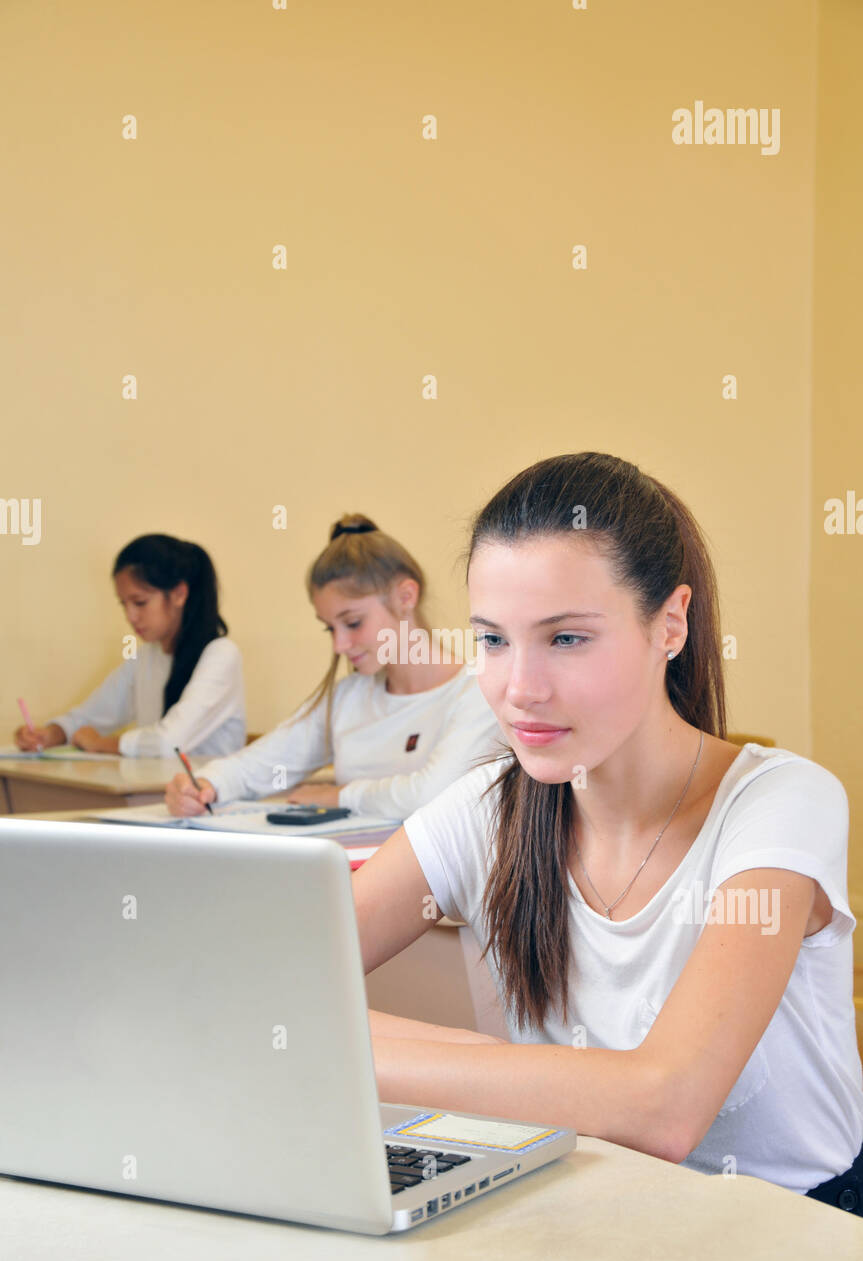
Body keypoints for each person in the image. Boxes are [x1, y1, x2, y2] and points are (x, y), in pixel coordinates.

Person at [354, 451, 863, 1212]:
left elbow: (663, 1108)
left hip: (792, 1231)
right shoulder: (490, 805)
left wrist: (337, 1049)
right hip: (584, 1211)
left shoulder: (781, 802)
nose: (519, 688)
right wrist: (499, 1065)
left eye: (565, 639)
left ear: (670, 623)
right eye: (492, 640)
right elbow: (263, 982)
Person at [165, 515, 502, 819]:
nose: (339, 645)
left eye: (353, 623)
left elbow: (432, 796)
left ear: (405, 596)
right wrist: (205, 784)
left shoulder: (478, 690)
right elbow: (261, 762)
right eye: (330, 628)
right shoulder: (347, 697)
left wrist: (340, 795)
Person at [14, 534, 245, 757]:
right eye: (124, 604)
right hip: (159, 790)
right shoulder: (146, 656)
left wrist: (99, 744)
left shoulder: (221, 655)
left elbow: (169, 743)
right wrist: (49, 735)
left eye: (140, 602)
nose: (130, 616)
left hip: (205, 795)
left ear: (179, 594)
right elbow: (92, 715)